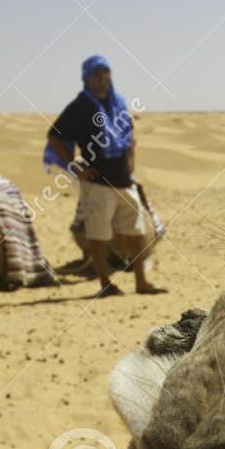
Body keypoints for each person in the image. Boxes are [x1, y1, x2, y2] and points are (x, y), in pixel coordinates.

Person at [45, 55, 165, 297]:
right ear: (86, 78)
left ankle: (141, 282)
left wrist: (131, 158)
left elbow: (128, 134)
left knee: (136, 232)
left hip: (124, 180)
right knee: (98, 235)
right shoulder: (80, 106)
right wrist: (74, 165)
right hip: (97, 182)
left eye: (105, 72)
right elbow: (54, 136)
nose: (102, 78)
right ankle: (105, 284)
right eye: (96, 74)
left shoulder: (118, 102)